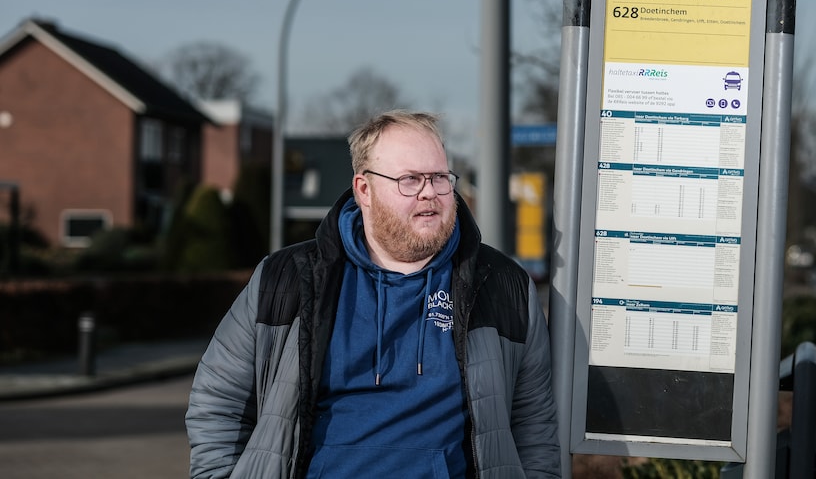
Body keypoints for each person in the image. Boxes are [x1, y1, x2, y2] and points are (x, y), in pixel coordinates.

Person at [186, 110, 559, 478]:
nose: (430, 192)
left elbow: (535, 425)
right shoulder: (285, 279)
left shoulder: (501, 285)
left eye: (440, 178)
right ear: (364, 189)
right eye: (410, 180)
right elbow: (218, 402)